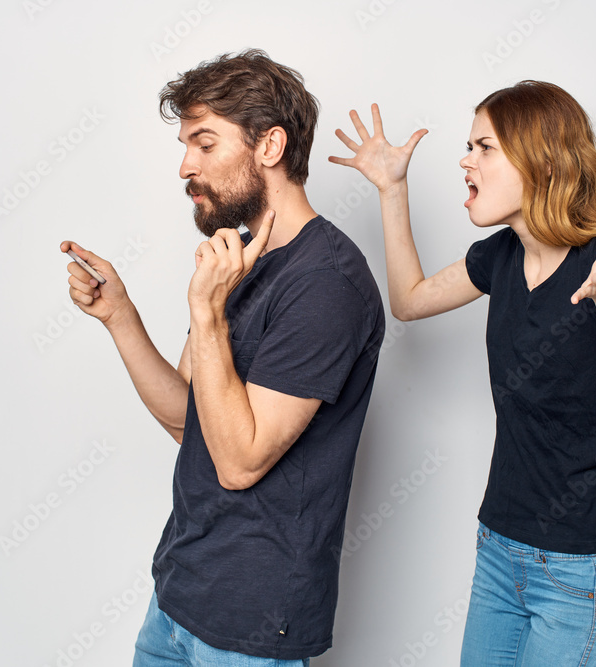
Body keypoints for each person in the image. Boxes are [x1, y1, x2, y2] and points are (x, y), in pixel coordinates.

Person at [329, 81, 596, 665]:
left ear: (541, 162)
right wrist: (393, 190)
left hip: (577, 575)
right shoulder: (500, 255)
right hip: (498, 551)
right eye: (468, 146)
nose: (466, 161)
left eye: (485, 147)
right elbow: (409, 300)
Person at [61, 50, 385, 666]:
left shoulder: (327, 283)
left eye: (205, 144)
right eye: (186, 146)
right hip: (179, 593)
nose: (186, 166)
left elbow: (239, 463)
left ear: (270, 146)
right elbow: (189, 423)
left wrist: (208, 312)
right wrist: (120, 316)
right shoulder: (238, 256)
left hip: (251, 621)